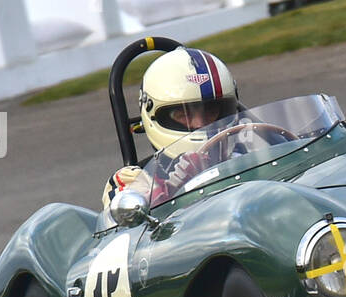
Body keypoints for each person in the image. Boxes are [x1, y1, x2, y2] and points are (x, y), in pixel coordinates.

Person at [103, 47, 242, 209]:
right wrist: (175, 186)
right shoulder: (134, 180)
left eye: (210, 111)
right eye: (183, 114)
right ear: (154, 115)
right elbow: (125, 226)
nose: (199, 124)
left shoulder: (250, 154)